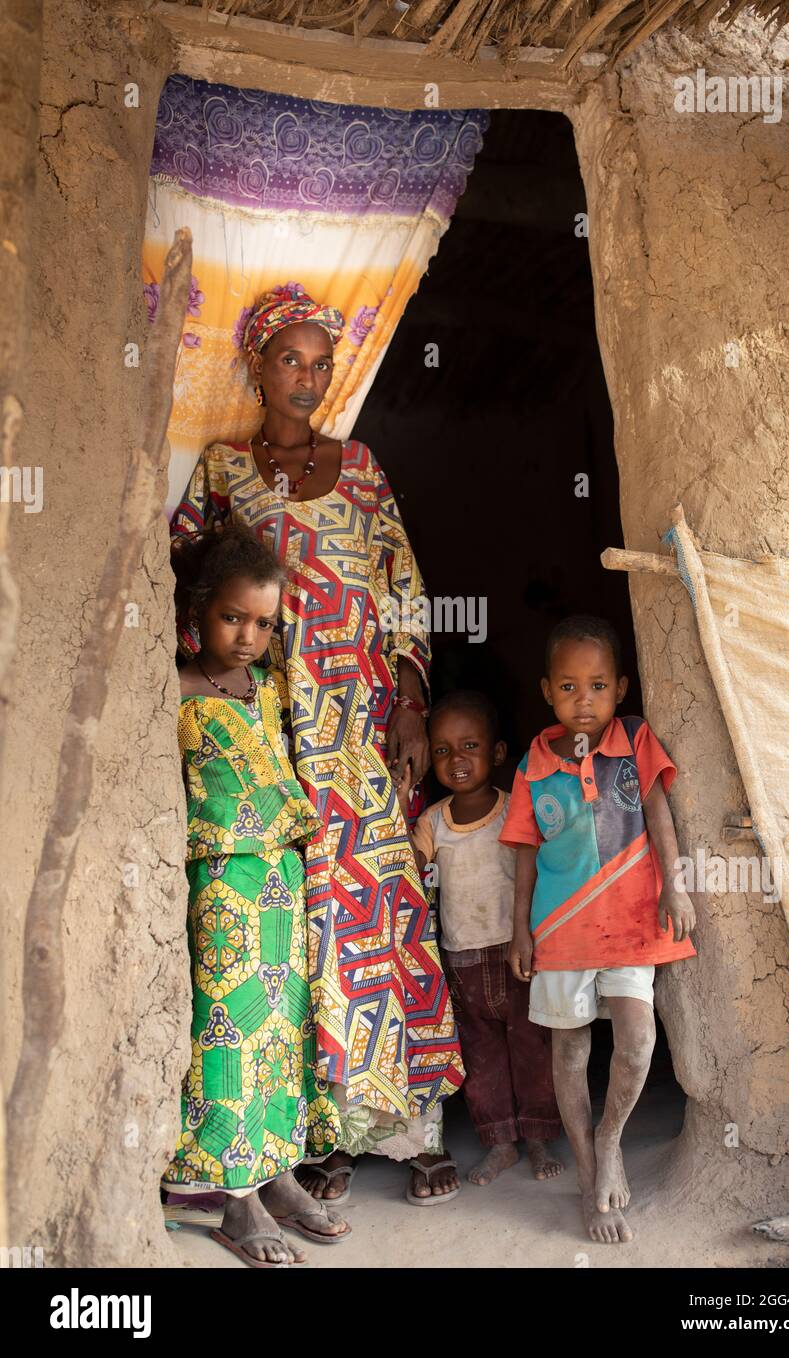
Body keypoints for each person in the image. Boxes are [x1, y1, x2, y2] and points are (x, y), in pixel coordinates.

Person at [171, 287, 464, 1204]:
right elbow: (183, 572)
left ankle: (414, 1131)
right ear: (255, 367)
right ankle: (320, 1138)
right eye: (289, 361)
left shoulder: (364, 468)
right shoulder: (222, 473)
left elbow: (404, 585)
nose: (307, 378)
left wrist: (411, 703)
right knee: (304, 930)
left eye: (320, 363)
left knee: (384, 918)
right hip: (272, 730)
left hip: (365, 731)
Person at [163, 525, 350, 1267]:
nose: (247, 636)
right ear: (199, 611)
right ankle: (233, 1200)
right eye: (232, 617)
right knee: (227, 1036)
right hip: (220, 887)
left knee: (280, 1036)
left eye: (263, 623)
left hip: (281, 882)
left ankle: (274, 1175)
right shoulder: (174, 688)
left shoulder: (268, 688)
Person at [502, 615, 696, 1244]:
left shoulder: (634, 741)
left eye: (597, 686)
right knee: (570, 1048)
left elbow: (657, 813)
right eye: (567, 687)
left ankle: (609, 1139)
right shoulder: (532, 765)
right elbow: (525, 851)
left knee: (638, 1037)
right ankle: (589, 1175)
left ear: (620, 688)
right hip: (560, 926)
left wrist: (675, 881)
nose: (582, 700)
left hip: (633, 918)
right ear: (546, 691)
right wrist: (520, 930)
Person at [400, 691, 562, 1189]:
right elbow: (412, 864)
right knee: (481, 1055)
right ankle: (500, 1143)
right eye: (443, 750)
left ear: (496, 753)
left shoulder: (517, 812)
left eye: (469, 745)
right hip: (462, 960)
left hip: (516, 953)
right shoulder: (433, 821)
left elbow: (543, 874)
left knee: (532, 1047)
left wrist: (529, 939)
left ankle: (537, 1136)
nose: (456, 759)